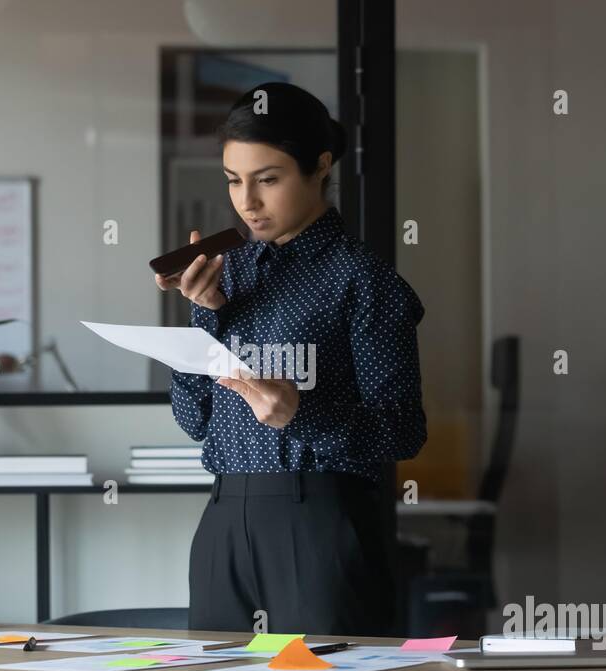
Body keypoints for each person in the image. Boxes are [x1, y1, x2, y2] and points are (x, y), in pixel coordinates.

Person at [154, 81, 426, 637]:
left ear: (320, 167)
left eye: (268, 180)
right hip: (223, 519)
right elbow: (194, 420)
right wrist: (205, 313)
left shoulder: (363, 281)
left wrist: (303, 413)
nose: (246, 202)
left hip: (321, 520)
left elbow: (403, 432)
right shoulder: (224, 274)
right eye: (234, 181)